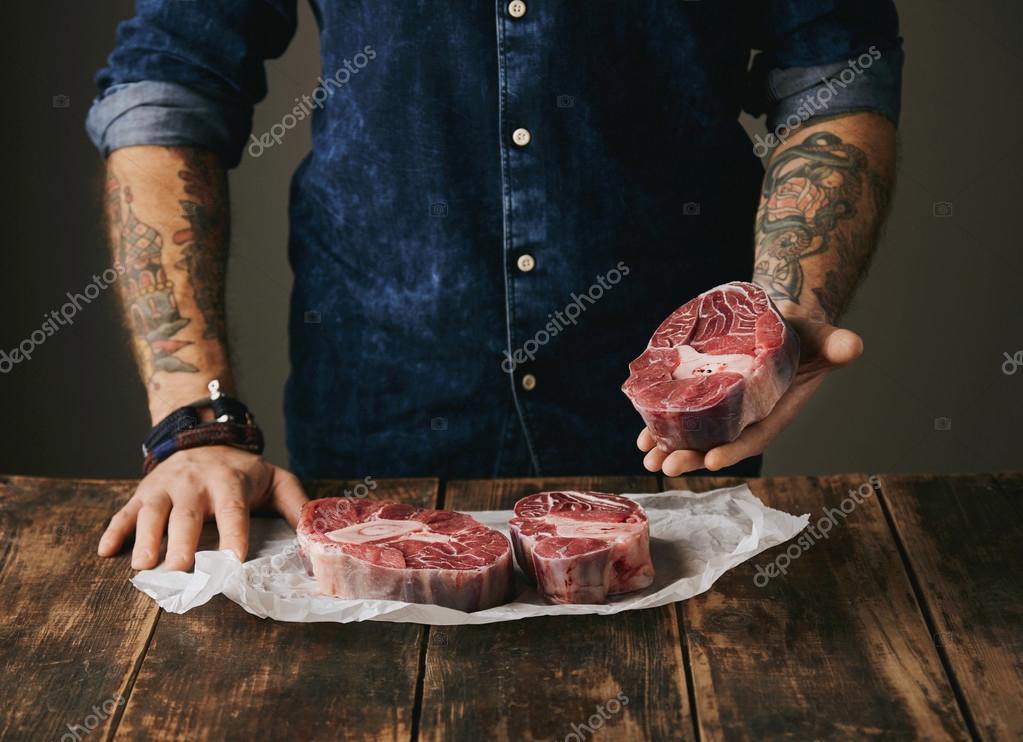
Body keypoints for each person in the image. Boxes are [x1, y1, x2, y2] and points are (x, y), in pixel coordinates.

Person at [86, 2, 902, 570]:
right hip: (376, 423)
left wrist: (786, 310)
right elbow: (172, 82)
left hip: (674, 428)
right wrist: (195, 416)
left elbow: (835, 68)